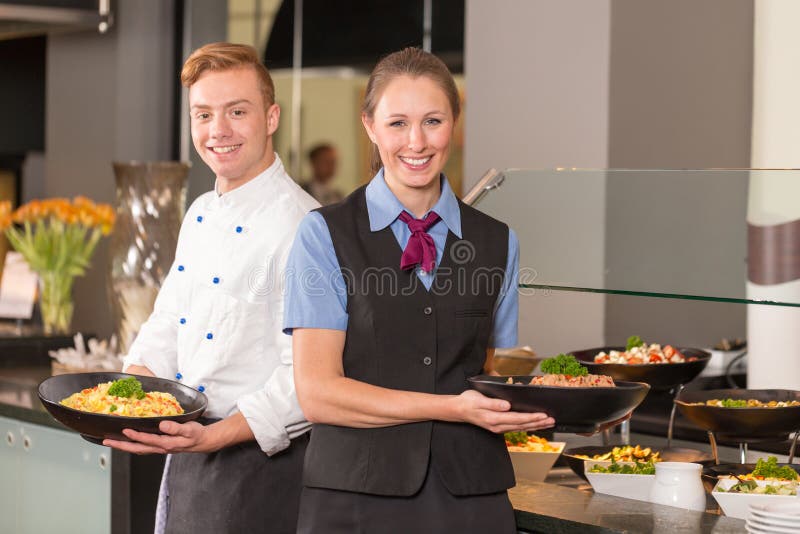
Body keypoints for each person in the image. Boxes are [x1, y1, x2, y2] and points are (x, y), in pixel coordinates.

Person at [283, 47, 554, 533]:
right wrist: (450, 408)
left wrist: (564, 399)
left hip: (473, 496)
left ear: (455, 121)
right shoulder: (324, 234)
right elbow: (318, 395)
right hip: (355, 500)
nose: (416, 142)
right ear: (369, 126)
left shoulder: (499, 240)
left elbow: (494, 371)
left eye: (433, 121)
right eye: (397, 123)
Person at [104, 42, 319, 534]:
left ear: (271, 118)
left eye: (236, 112)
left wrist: (214, 437)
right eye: (203, 114)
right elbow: (167, 321)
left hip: (260, 464)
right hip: (187, 451)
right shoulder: (200, 212)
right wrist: (124, 400)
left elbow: (303, 381)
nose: (217, 130)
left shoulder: (306, 226)